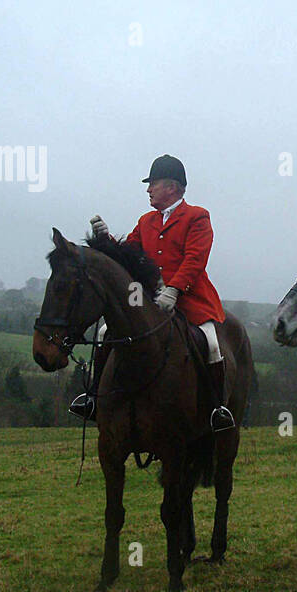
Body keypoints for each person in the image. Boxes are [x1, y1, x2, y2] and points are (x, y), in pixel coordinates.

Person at [70, 154, 234, 432]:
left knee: (212, 343)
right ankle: (94, 398)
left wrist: (173, 290)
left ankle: (217, 408)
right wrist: (104, 239)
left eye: (153, 184)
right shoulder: (146, 221)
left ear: (171, 186)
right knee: (103, 333)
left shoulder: (197, 217)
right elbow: (128, 255)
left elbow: (195, 259)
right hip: (146, 301)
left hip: (191, 300)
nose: (148, 189)